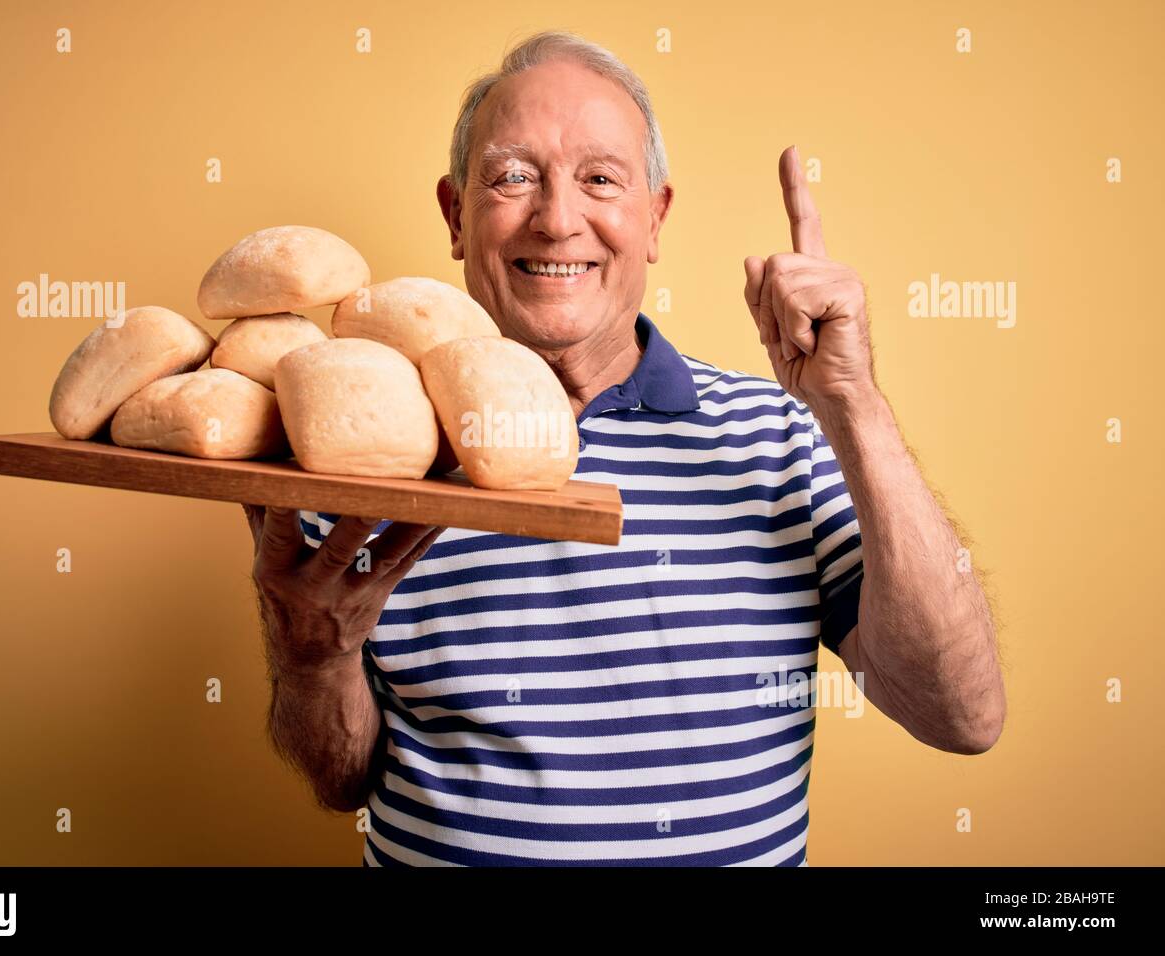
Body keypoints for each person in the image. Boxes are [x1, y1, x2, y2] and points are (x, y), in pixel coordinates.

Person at [243, 30, 1004, 866]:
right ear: (456, 215)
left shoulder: (783, 436)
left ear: (654, 218)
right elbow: (343, 780)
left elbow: (960, 716)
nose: (558, 219)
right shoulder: (355, 450)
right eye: (512, 178)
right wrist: (314, 659)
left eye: (600, 180)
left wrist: (853, 403)